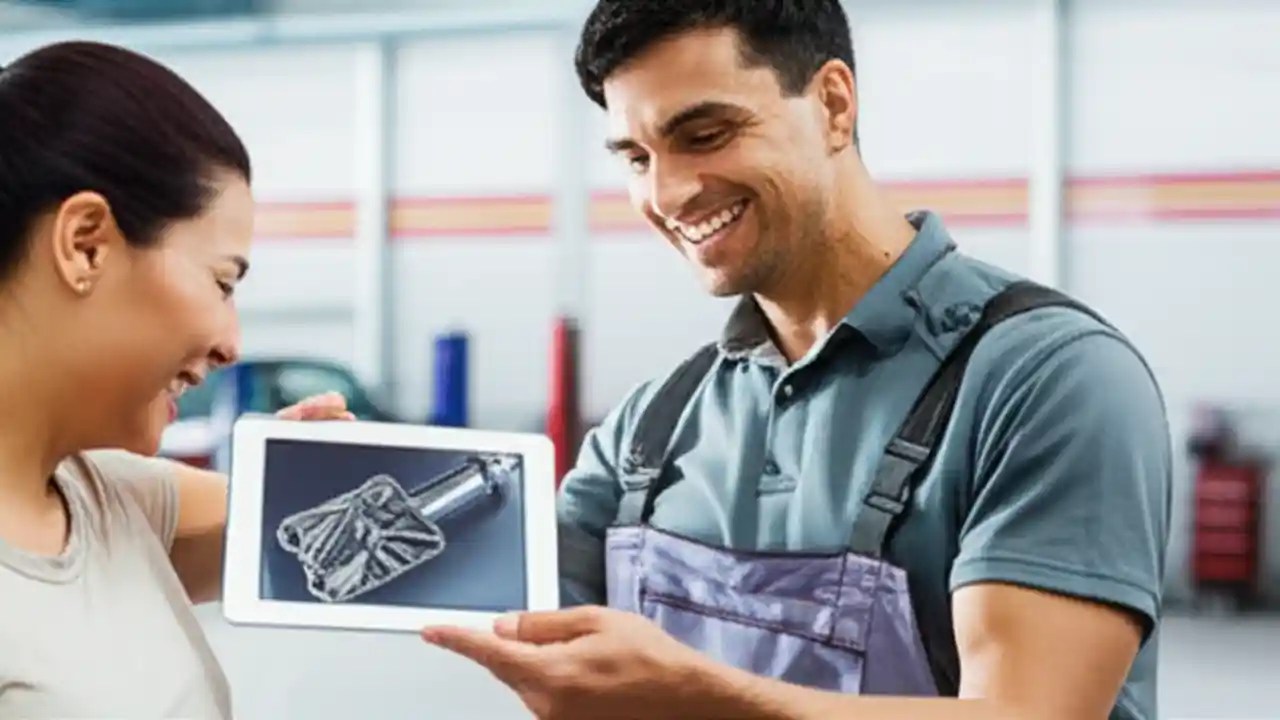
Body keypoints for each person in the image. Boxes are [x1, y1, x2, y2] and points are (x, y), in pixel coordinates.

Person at [420, 2, 1173, 719]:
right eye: (637, 156)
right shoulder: (652, 427)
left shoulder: (1046, 383)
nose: (668, 191)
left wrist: (698, 701)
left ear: (834, 105)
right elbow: (484, 624)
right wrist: (342, 473)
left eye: (707, 134)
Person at [0, 41, 349, 718]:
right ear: (86, 244)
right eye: (221, 281)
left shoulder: (111, 499)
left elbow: (360, 525)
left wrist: (310, 475)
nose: (230, 343)